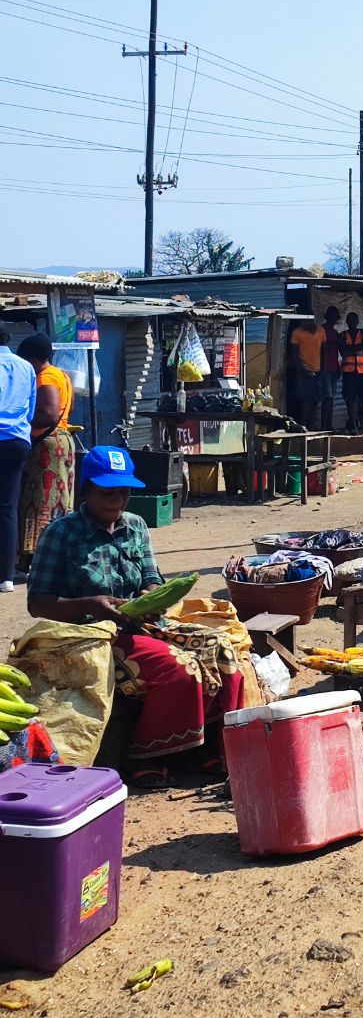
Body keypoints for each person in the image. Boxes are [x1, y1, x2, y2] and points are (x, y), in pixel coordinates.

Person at [27, 446, 244, 778]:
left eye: (124, 492)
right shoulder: (61, 533)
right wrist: (91, 604)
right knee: (179, 668)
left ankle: (209, 746)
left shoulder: (136, 526)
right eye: (107, 493)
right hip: (92, 634)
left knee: (223, 651)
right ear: (85, 491)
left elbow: (151, 577)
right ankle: (144, 753)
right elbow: (38, 603)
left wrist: (151, 595)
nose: (117, 500)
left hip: (144, 625)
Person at [16, 333, 75, 566]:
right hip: (60, 441)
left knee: (39, 500)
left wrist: (20, 420)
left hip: (47, 447)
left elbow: (49, 414)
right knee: (57, 501)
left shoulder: (46, 377)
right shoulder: (61, 375)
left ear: (33, 360)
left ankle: (32, 559)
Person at [0, 326, 36, 593]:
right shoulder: (26, 367)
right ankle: (6, 577)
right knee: (8, 507)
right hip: (17, 440)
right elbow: (30, 409)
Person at [339, 312, 363, 434]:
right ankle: (353, 426)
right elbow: (343, 352)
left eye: (354, 320)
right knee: (350, 399)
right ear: (347, 322)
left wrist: (350, 349)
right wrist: (359, 347)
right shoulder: (343, 335)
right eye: (350, 320)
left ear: (357, 322)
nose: (352, 322)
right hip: (349, 373)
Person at [288, 316, 322, 429]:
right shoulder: (297, 333)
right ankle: (303, 425)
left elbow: (324, 350)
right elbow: (294, 354)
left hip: (317, 370)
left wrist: (322, 369)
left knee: (316, 400)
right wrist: (302, 370)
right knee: (307, 400)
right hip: (304, 371)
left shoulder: (320, 330)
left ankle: (311, 426)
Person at [318, 305, 342, 432]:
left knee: (331, 398)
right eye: (331, 316)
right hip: (325, 368)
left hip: (333, 367)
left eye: (335, 317)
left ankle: (328, 424)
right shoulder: (322, 330)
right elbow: (321, 350)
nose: (333, 319)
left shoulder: (335, 332)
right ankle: (324, 425)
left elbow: (336, 352)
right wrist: (322, 369)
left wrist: (338, 367)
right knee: (327, 398)